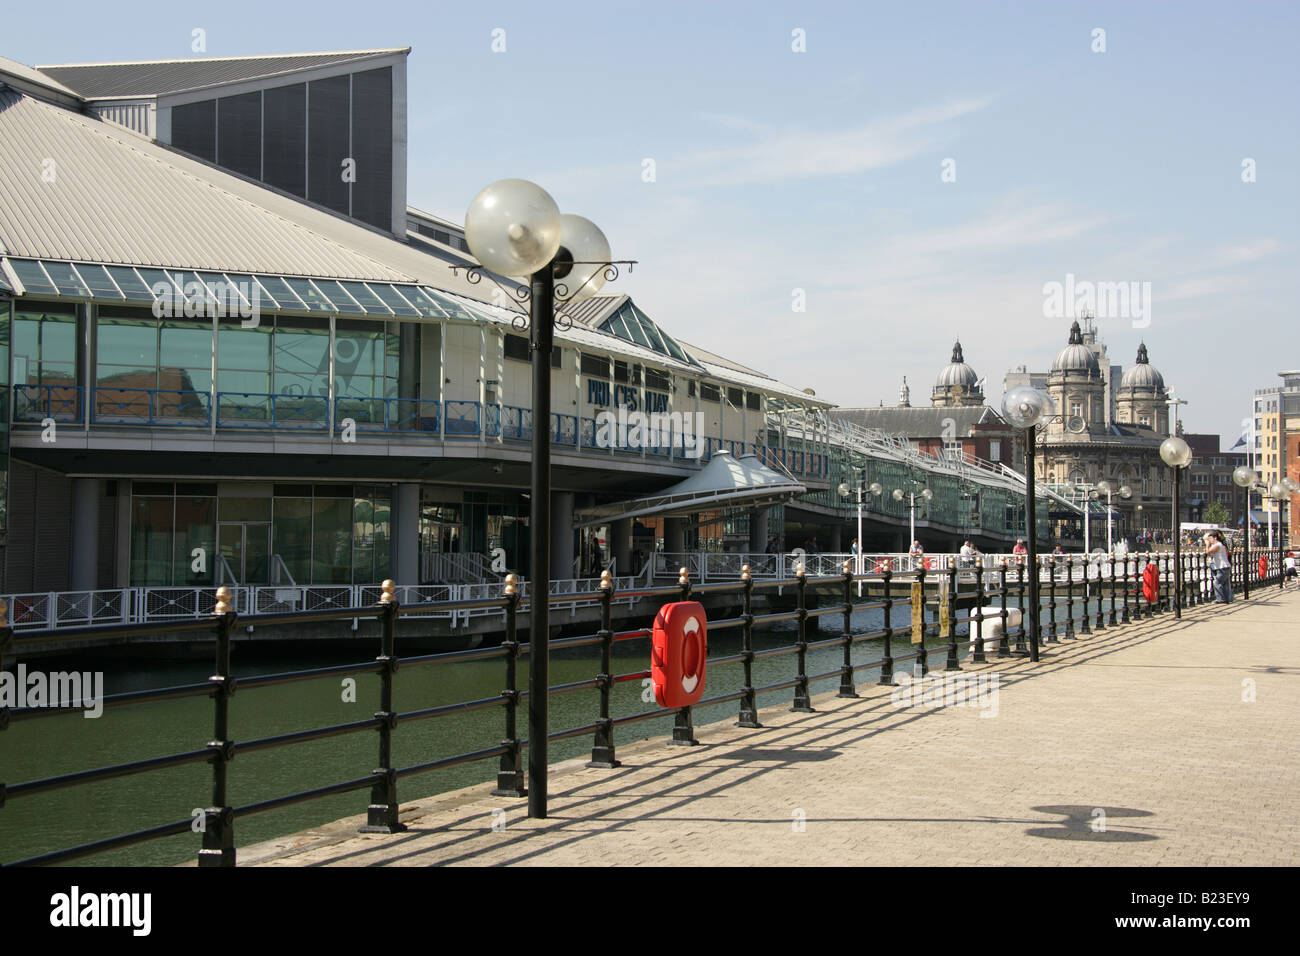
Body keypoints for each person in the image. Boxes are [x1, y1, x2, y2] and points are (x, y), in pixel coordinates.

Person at [1206, 530, 1233, 603]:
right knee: (1225, 583)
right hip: (1225, 566)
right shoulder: (1221, 545)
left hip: (1222, 567)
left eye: (1210, 538)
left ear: (1215, 538)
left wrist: (1207, 544)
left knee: (1217, 582)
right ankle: (1228, 599)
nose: (1209, 540)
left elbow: (1208, 552)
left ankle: (1220, 599)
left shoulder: (1217, 545)